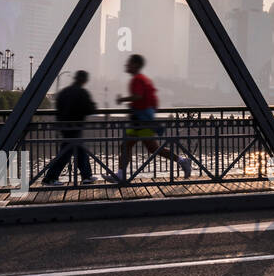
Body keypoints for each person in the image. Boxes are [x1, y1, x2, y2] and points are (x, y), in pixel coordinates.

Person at [113, 54, 191, 183]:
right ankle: (120, 175)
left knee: (145, 147)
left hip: (141, 121)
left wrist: (122, 99)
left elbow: (138, 96)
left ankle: (182, 161)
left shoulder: (137, 79)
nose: (126, 65)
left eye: (129, 63)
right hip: (140, 120)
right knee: (133, 146)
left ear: (136, 65)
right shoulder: (143, 79)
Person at [45, 70, 99, 185]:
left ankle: (86, 176)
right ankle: (50, 178)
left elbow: (58, 108)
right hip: (75, 127)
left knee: (79, 151)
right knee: (66, 153)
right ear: (84, 80)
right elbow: (90, 109)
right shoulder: (82, 92)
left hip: (65, 126)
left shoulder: (65, 91)